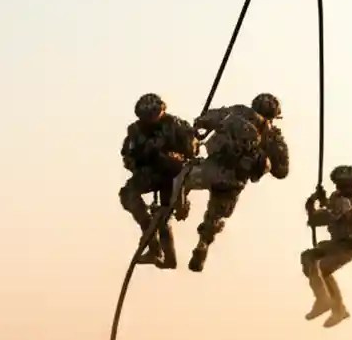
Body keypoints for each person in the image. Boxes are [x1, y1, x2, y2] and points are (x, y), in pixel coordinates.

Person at [179, 92, 290, 272]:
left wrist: (201, 124)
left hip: (212, 168)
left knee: (184, 179)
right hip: (234, 183)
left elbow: (205, 120)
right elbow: (281, 171)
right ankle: (202, 244)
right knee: (214, 217)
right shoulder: (273, 137)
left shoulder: (237, 113)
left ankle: (177, 206)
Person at [120, 93, 199, 269]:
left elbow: (192, 148)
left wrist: (179, 155)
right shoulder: (136, 130)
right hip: (150, 172)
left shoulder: (175, 125)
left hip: (173, 176)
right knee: (128, 195)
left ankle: (167, 257)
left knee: (163, 216)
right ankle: (152, 240)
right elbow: (127, 154)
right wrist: (138, 161)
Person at [301, 164, 352, 327]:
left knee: (322, 268)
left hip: (350, 244)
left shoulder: (347, 201)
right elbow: (323, 215)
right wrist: (316, 201)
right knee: (309, 258)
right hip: (337, 243)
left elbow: (320, 218)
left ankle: (326, 301)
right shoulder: (339, 198)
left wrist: (313, 203)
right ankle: (336, 307)